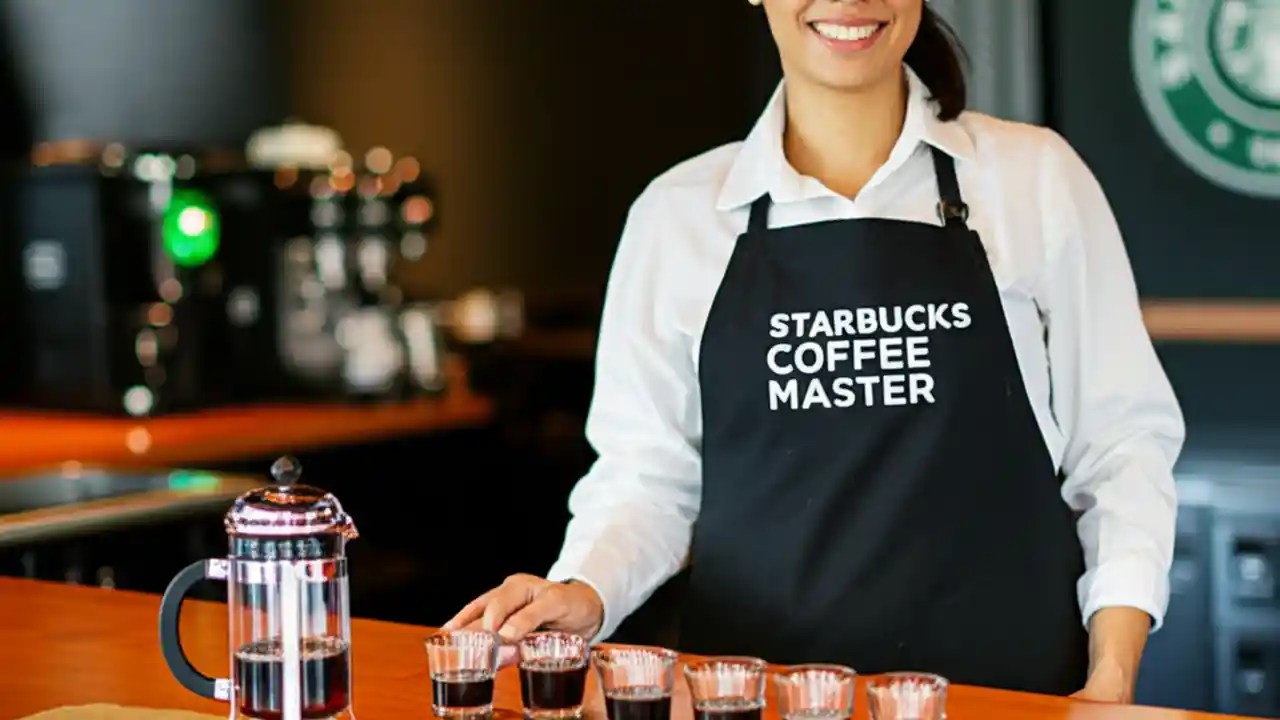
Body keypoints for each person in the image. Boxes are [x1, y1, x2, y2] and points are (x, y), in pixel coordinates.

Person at [446, 0, 1184, 703]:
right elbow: (647, 479)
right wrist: (582, 591)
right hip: (754, 701)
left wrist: (1111, 681)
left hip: (1008, 695)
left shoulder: (1035, 180)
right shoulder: (677, 217)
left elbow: (1120, 449)